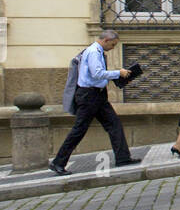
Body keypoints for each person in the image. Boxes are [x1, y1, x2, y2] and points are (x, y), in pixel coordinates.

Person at [50, 30, 137, 175]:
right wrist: (118, 73)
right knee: (79, 130)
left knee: (114, 124)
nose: (113, 47)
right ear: (106, 40)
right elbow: (97, 74)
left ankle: (123, 158)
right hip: (89, 96)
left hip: (98, 96)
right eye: (113, 44)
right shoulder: (94, 52)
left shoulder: (96, 51)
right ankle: (58, 162)